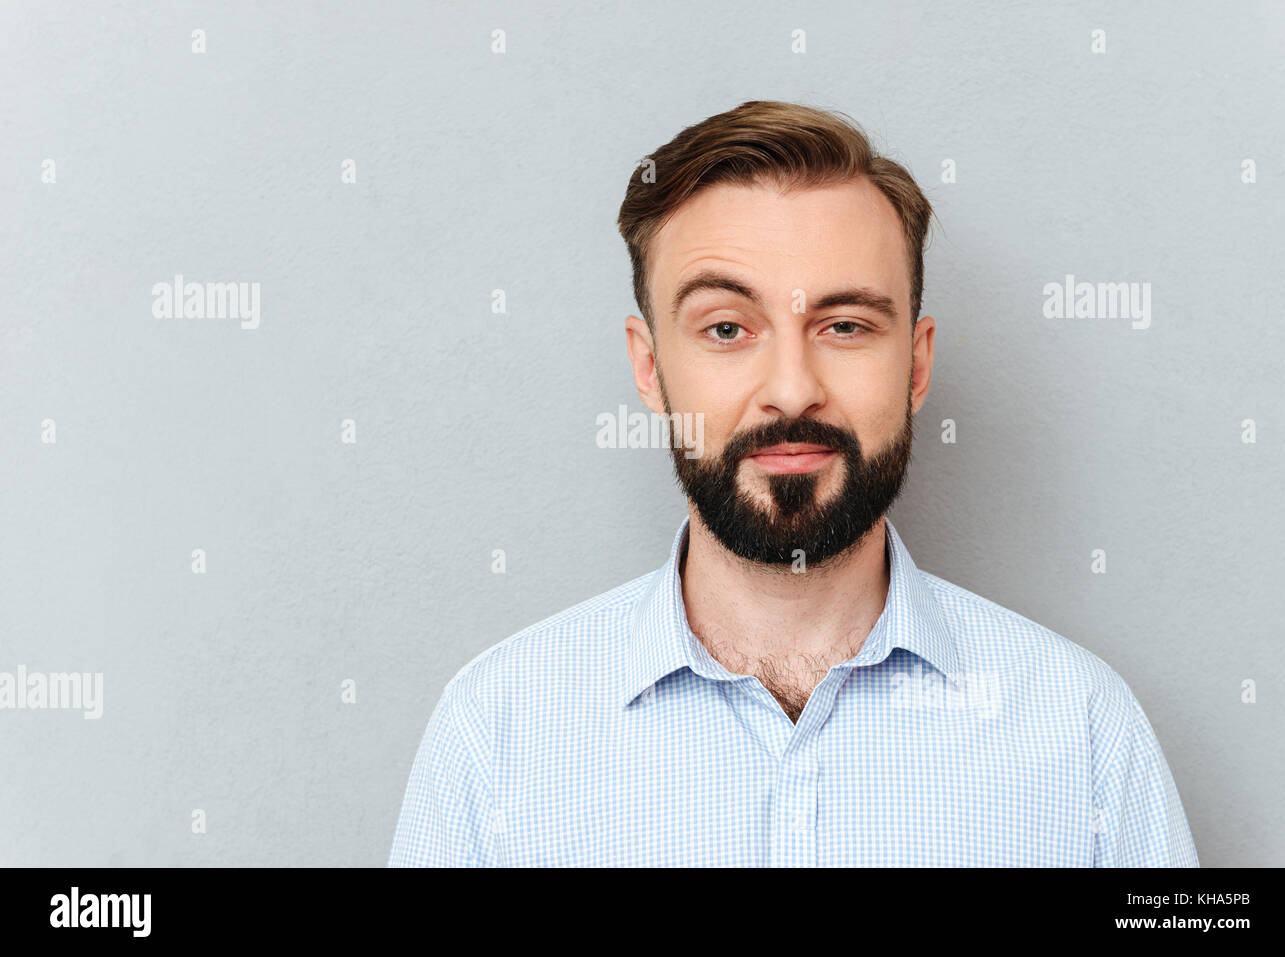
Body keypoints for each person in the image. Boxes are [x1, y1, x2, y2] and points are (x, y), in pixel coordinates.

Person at [388, 100, 1198, 867]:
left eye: (845, 326)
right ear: (648, 364)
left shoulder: (1082, 730)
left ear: (915, 363)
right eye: (727, 328)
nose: (791, 388)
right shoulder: (495, 730)